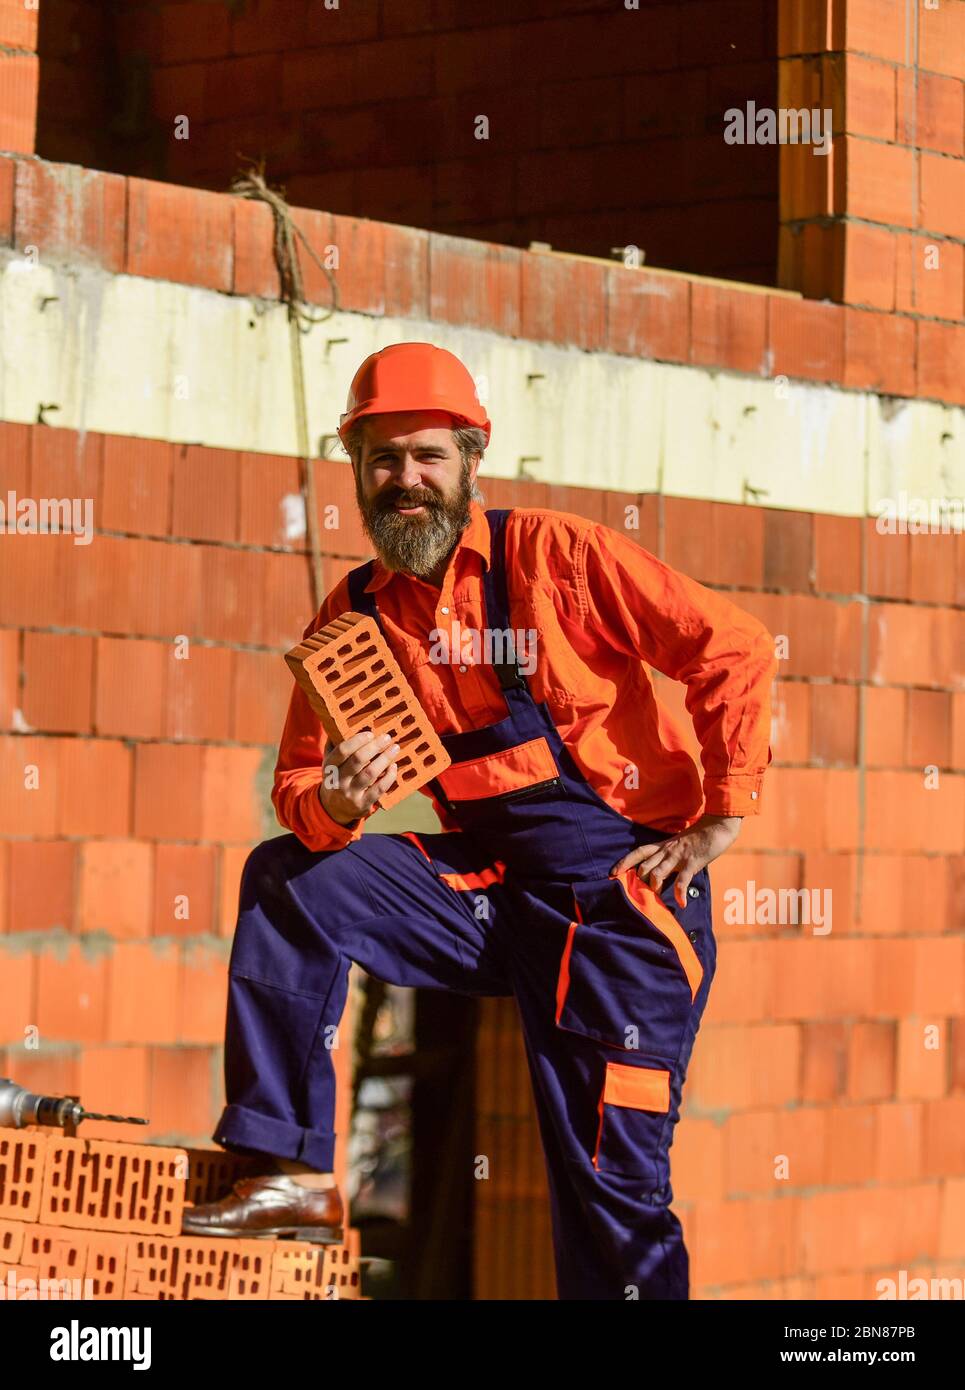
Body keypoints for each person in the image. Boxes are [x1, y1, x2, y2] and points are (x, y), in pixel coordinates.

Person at [183, 341, 778, 1299]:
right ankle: (288, 1169)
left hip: (621, 911)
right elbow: (297, 786)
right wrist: (334, 804)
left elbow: (734, 648)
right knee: (290, 880)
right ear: (357, 472)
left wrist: (722, 813)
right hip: (492, 894)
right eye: (382, 459)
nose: (404, 480)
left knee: (609, 1188)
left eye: (426, 455)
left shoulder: (556, 556)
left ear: (471, 458)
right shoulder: (354, 619)